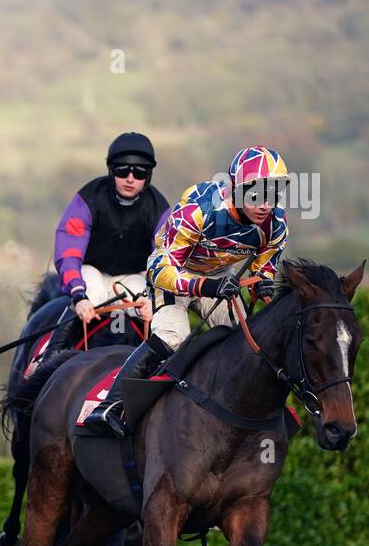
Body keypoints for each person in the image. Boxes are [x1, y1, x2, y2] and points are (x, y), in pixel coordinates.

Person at [82, 146, 290, 437]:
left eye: (273, 193)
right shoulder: (200, 207)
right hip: (174, 272)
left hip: (218, 275)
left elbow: (263, 268)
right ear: (234, 189)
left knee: (244, 344)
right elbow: (159, 270)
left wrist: (262, 282)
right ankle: (109, 405)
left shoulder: (276, 224)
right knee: (172, 337)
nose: (264, 204)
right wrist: (207, 286)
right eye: (254, 193)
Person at [49, 132, 170, 350]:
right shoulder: (89, 198)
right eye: (122, 170)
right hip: (91, 271)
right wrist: (78, 295)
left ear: (148, 175)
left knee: (148, 307)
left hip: (131, 277)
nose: (130, 178)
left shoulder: (159, 209)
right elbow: (68, 251)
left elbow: (165, 260)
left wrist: (155, 299)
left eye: (139, 172)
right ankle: (47, 357)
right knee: (92, 295)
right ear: (111, 170)